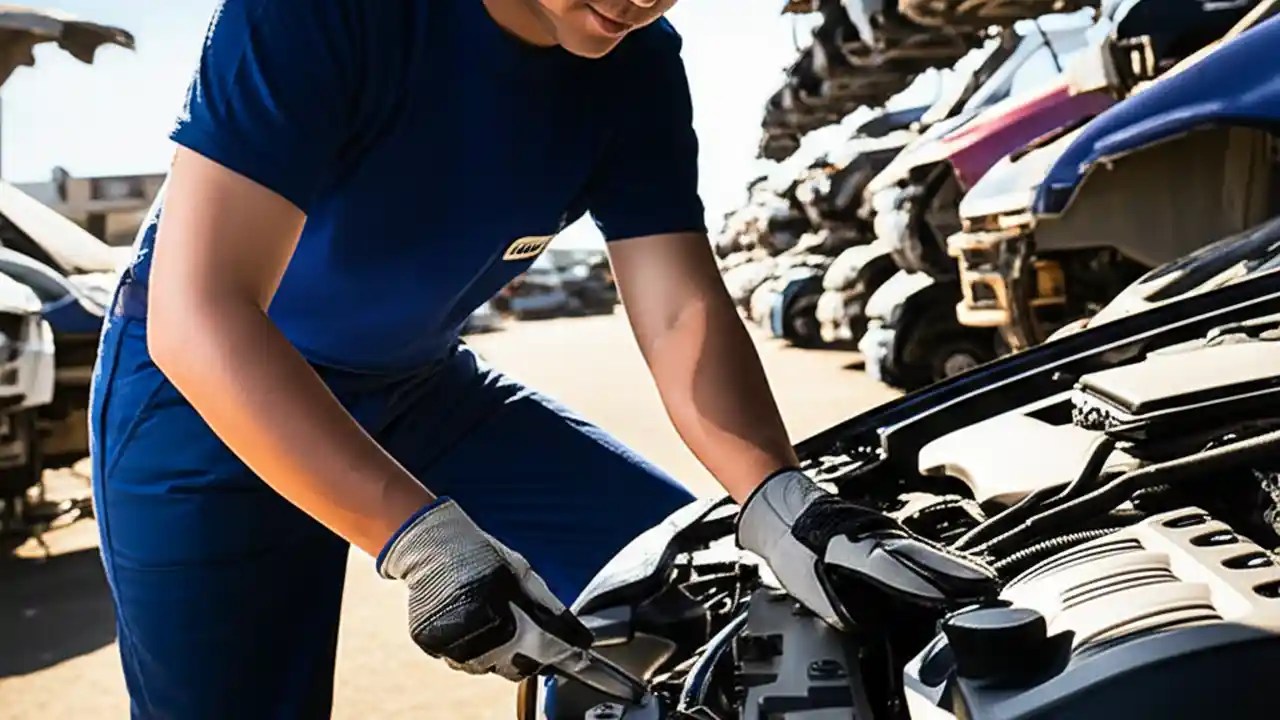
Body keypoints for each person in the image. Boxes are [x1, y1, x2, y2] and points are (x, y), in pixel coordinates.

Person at [89, 1, 998, 717]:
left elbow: (679, 306)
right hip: (198, 402)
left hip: (420, 389)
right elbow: (200, 309)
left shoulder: (639, 65)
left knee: (695, 594)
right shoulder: (322, 11)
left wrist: (779, 498)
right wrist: (426, 545)